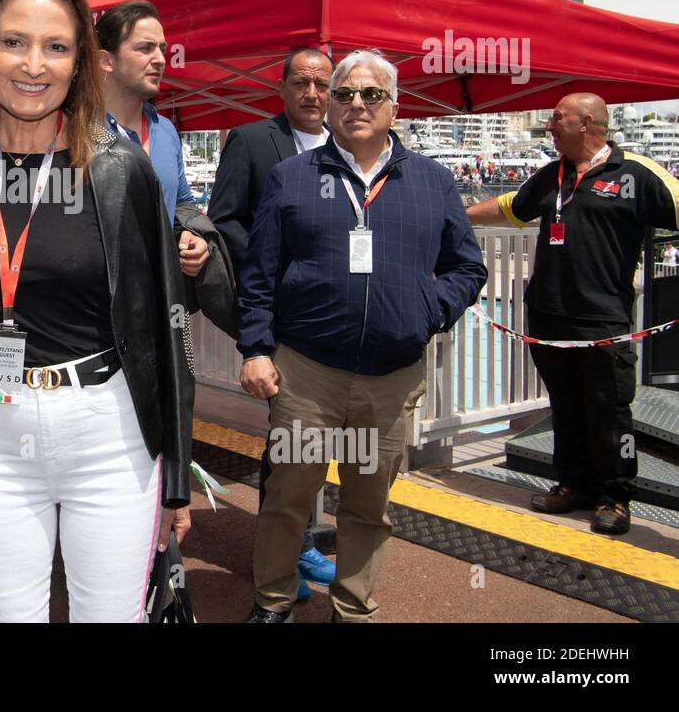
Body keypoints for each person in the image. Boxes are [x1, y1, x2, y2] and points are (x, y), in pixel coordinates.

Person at [0, 0, 195, 622]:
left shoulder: (122, 172)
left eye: (56, 46)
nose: (33, 64)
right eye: (13, 42)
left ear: (80, 64)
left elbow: (164, 328)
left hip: (108, 431)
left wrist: (175, 476)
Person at [237, 49, 486, 623]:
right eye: (344, 93)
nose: (355, 104)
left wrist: (429, 309)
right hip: (306, 375)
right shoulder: (293, 177)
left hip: (392, 380)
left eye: (371, 94)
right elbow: (260, 273)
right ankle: (273, 600)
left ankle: (351, 605)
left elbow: (467, 268)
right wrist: (255, 347)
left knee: (368, 506)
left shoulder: (432, 180)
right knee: (288, 499)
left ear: (393, 107)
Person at [466, 93, 679, 535]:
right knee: (564, 405)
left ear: (587, 123)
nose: (549, 124)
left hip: (603, 320)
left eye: (557, 118)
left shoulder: (636, 175)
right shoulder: (551, 176)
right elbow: (510, 208)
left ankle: (615, 497)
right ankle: (572, 485)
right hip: (548, 315)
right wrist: (452, 217)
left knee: (610, 410)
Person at [209, 46, 339, 601]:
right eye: (302, 83)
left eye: (323, 85)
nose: (313, 94)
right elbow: (223, 219)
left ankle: (293, 540)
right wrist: (277, 256)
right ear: (282, 87)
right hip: (278, 315)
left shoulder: (347, 145)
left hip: (333, 320)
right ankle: (282, 552)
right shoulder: (252, 141)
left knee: (316, 437)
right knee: (288, 436)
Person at [97, 0, 207, 270]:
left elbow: (184, 204)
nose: (159, 59)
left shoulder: (166, 130)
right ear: (106, 60)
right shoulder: (75, 130)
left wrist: (194, 236)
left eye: (162, 49)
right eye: (145, 48)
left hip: (160, 297)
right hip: (96, 301)